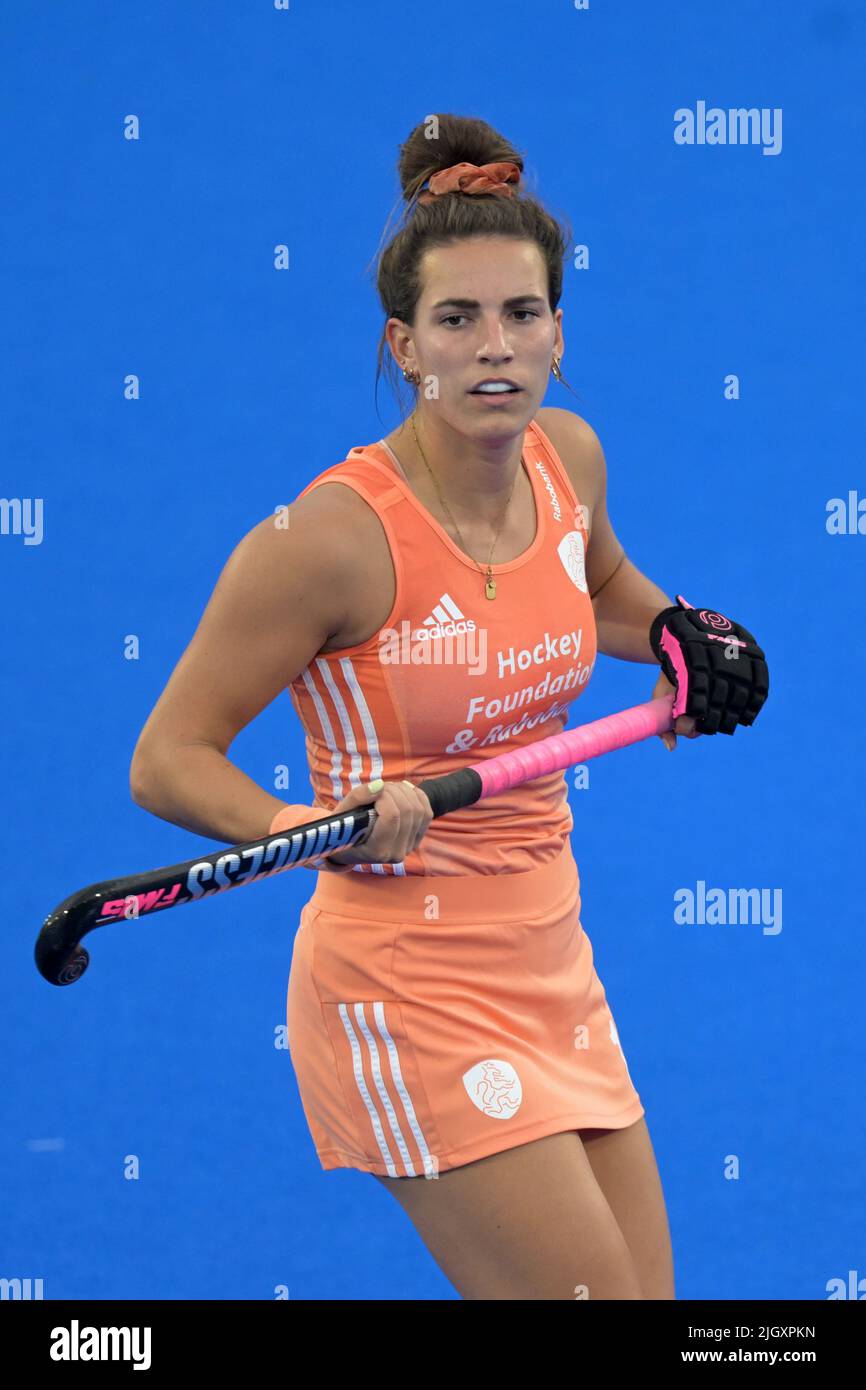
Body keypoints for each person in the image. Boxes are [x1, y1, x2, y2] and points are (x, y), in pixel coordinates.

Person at [129, 114, 768, 1300]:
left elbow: (596, 586)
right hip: (403, 988)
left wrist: (678, 626)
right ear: (403, 343)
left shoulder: (563, 459)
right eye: (456, 319)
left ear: (557, 331)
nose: (494, 349)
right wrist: (301, 824)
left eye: (521, 315)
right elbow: (168, 759)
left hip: (550, 960)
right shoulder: (323, 544)